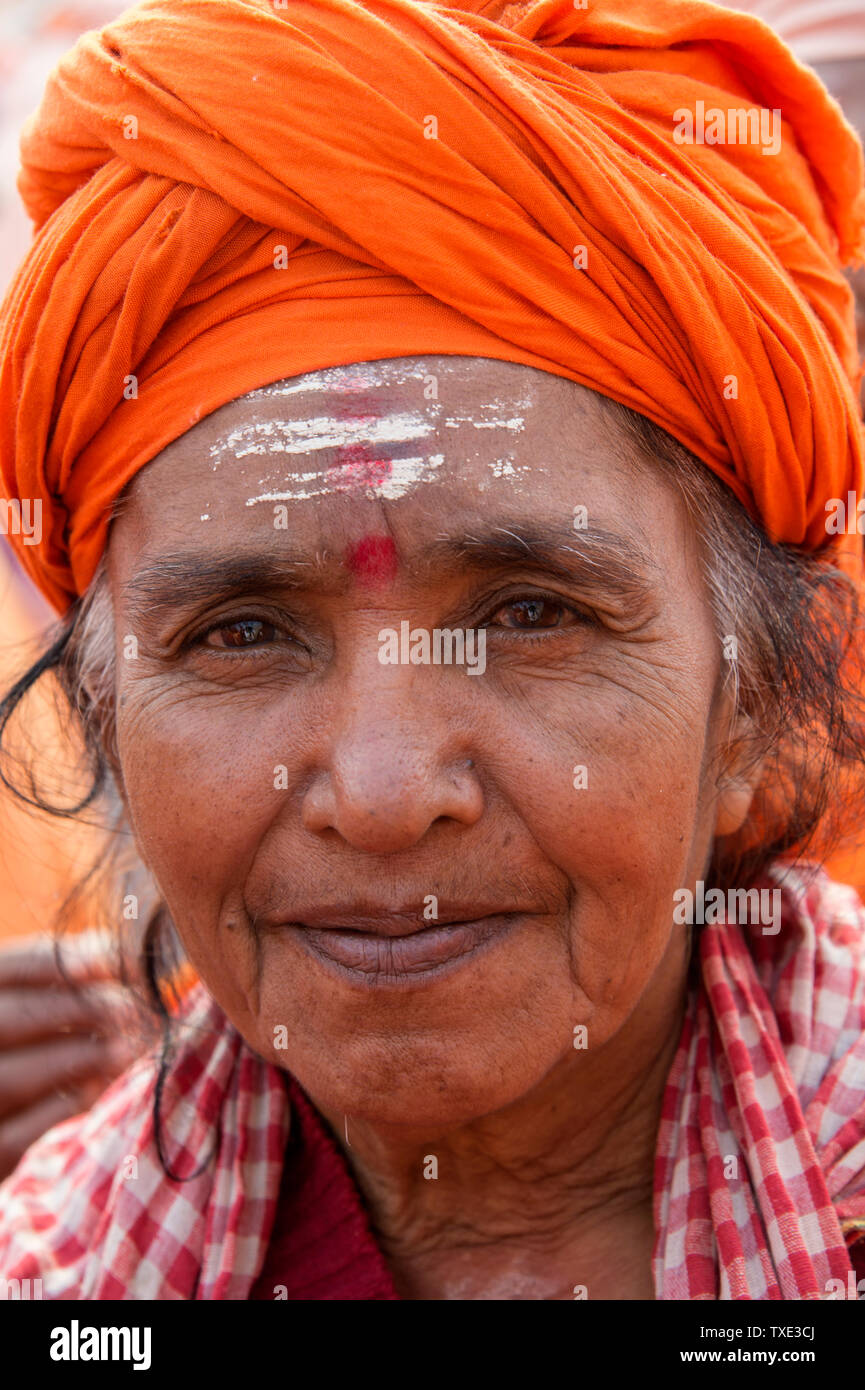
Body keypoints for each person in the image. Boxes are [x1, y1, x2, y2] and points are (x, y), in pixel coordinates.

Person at [0, 0, 864, 1300]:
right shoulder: (64, 1277)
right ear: (108, 719)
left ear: (755, 706)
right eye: (241, 632)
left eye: (531, 613)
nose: (385, 793)